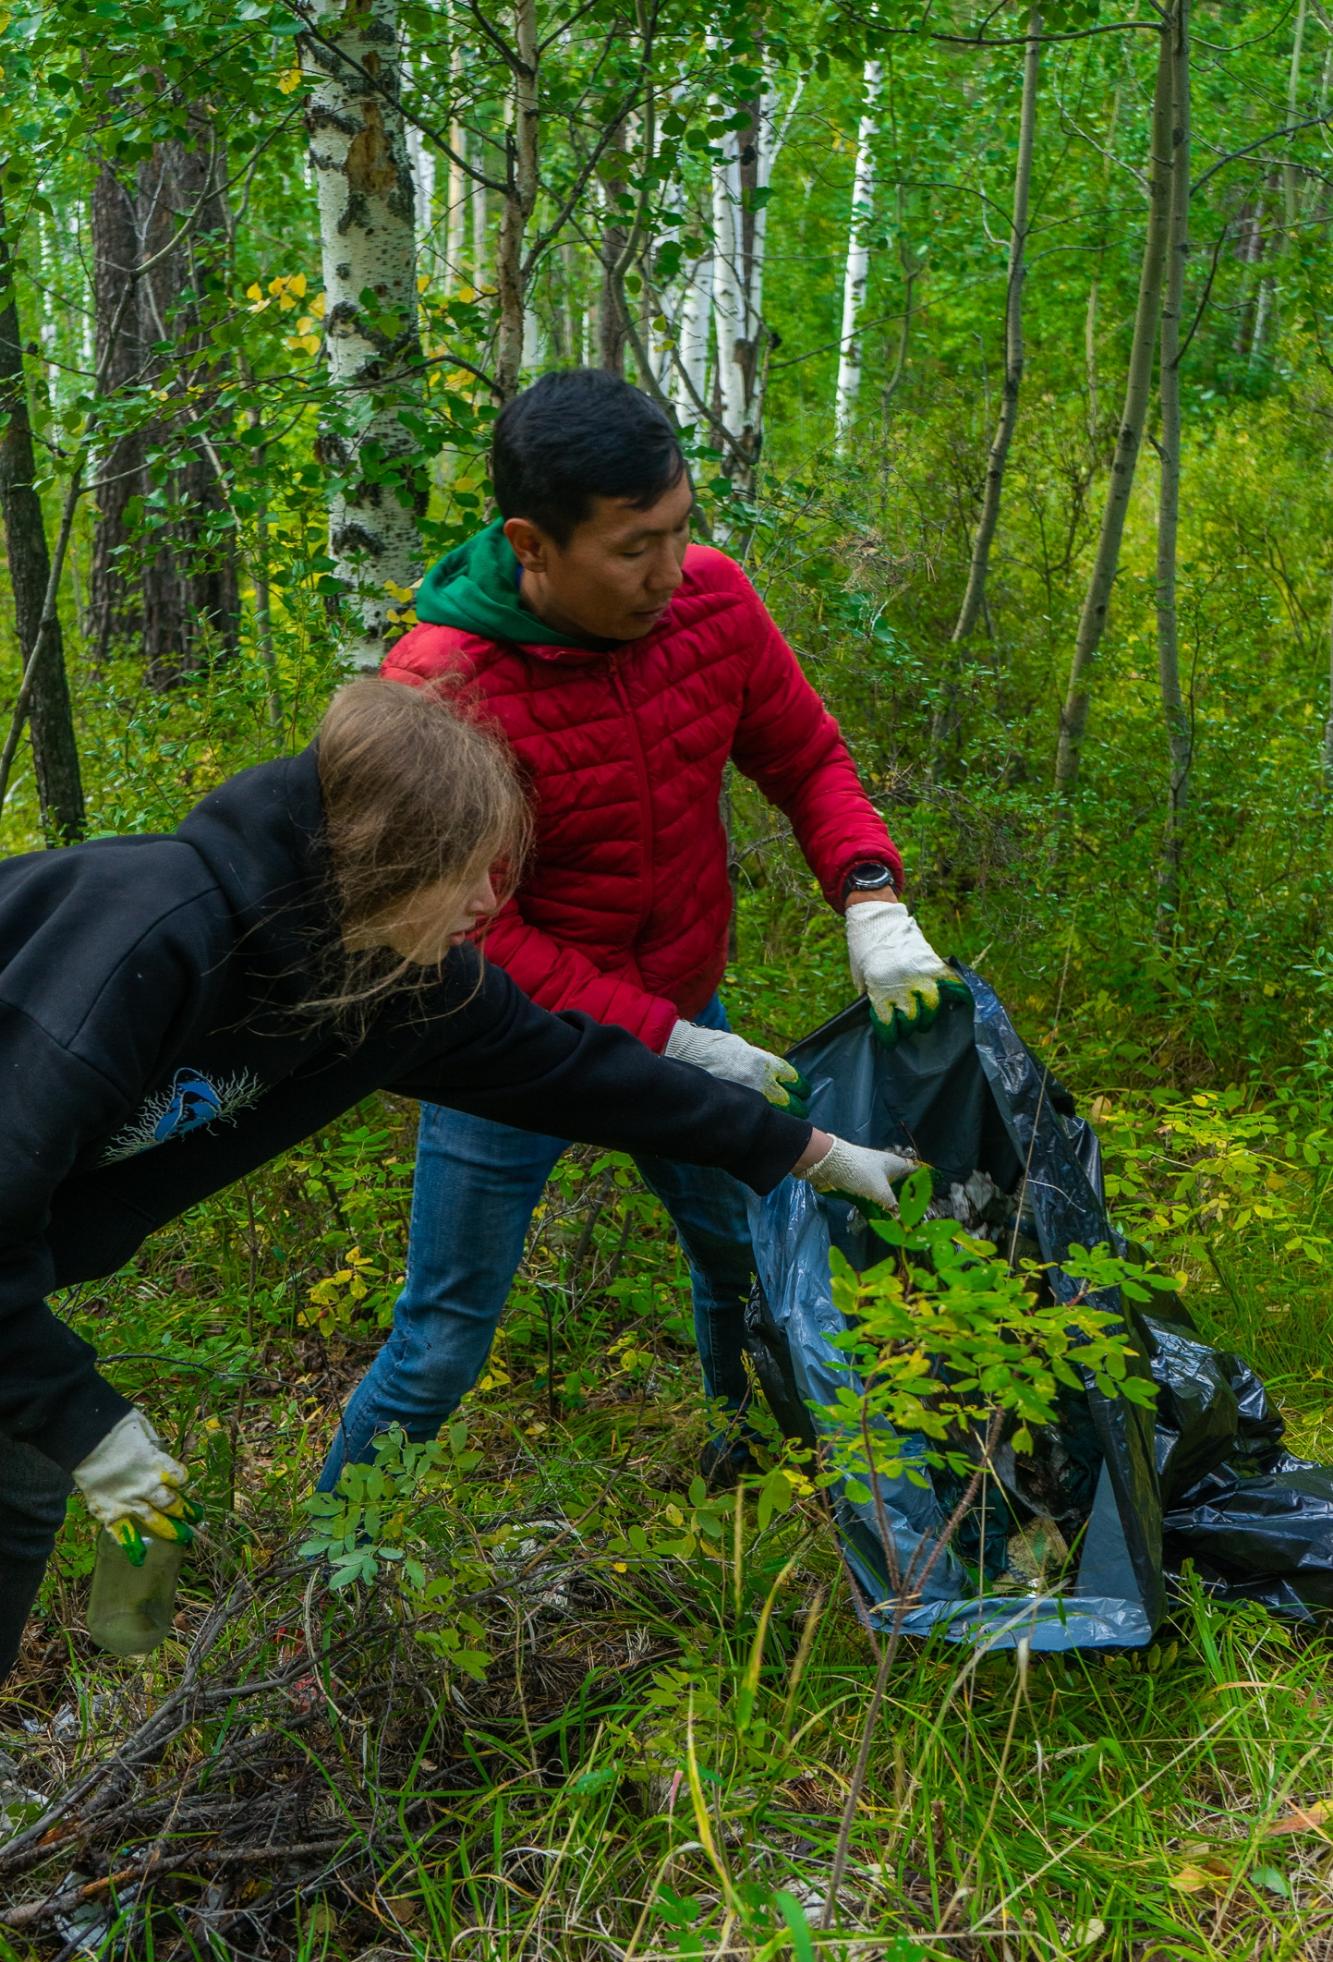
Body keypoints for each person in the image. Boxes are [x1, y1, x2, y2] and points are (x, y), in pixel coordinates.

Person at [0, 677, 912, 1684]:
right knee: (38, 1453)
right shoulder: (146, 935)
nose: (493, 899)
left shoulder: (388, 981)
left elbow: (575, 1071)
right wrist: (94, 1421)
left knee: (21, 1473)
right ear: (388, 852)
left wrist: (804, 1150)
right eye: (470, 869)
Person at [319, 369, 965, 1494]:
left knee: (740, 1256)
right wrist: (665, 1043)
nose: (667, 573)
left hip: (683, 1008)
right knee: (444, 1334)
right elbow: (470, 936)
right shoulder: (444, 686)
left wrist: (871, 895)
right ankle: (325, 1592)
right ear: (532, 542)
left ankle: (748, 1465)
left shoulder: (712, 602)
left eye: (677, 531)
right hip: (502, 1051)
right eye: (631, 550)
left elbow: (803, 757)